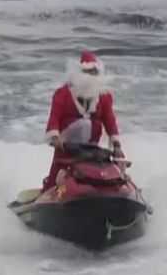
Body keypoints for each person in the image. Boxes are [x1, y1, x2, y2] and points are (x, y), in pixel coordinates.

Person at [40, 50, 125, 192]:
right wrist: (55, 136)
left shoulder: (104, 97)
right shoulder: (63, 94)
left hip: (91, 146)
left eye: (94, 73)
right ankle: (51, 190)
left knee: (98, 165)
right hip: (66, 145)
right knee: (57, 173)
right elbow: (54, 117)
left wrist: (116, 144)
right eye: (88, 72)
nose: (91, 77)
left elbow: (110, 120)